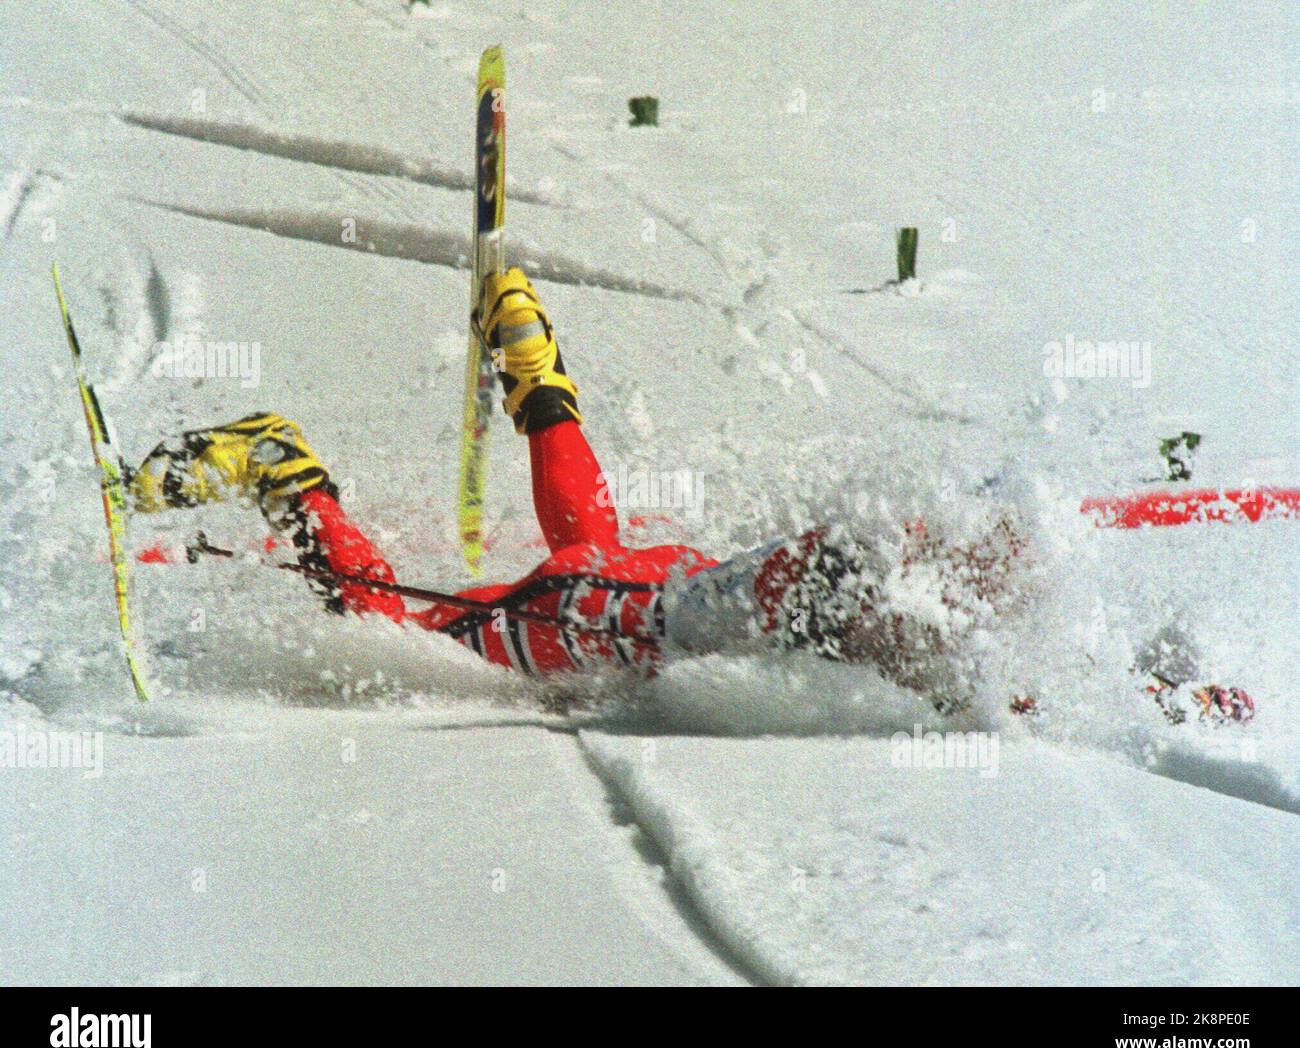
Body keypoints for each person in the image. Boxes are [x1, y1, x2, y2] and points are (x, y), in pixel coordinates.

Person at [126, 268, 1250, 722]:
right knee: (403, 627)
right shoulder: (877, 617)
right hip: (653, 604)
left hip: (651, 607)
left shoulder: (880, 618)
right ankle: (320, 453)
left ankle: (298, 463)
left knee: (417, 616)